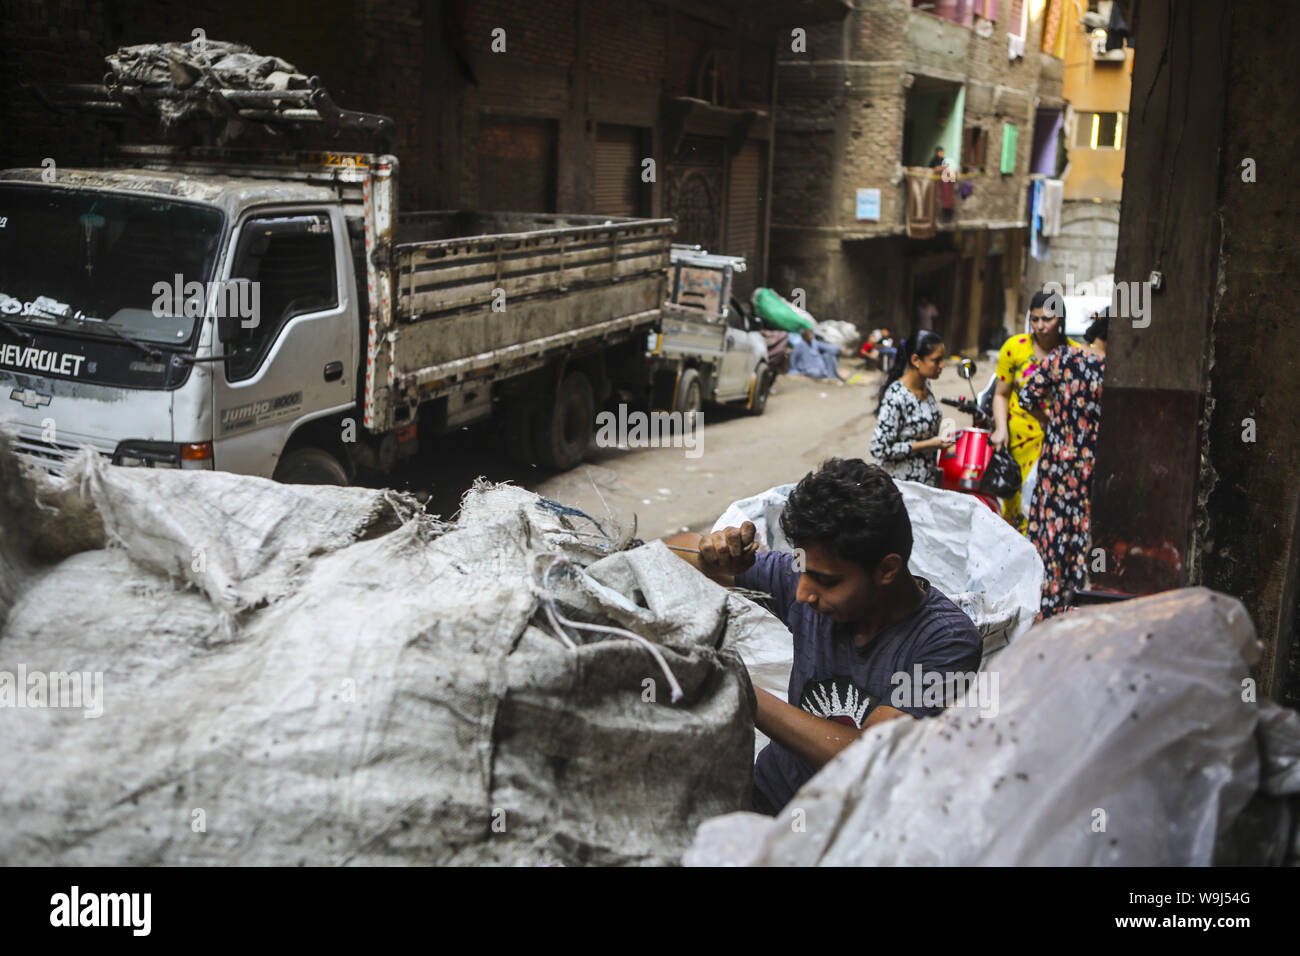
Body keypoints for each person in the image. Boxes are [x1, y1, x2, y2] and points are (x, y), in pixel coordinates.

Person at [664, 459, 983, 816]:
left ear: (887, 569)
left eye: (826, 581)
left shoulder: (947, 642)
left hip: (853, 829)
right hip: (768, 801)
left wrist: (739, 688)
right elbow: (670, 552)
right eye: (801, 572)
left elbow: (867, 759)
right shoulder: (811, 580)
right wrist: (713, 553)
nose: (802, 594)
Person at [1018, 314, 1107, 617]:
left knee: (1050, 533)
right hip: (1088, 465)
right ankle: (1073, 606)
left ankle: (1044, 606)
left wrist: (1052, 424)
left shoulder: (1063, 356)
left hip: (1056, 461)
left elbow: (1027, 395)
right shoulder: (1113, 369)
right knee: (1080, 533)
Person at [990, 289, 1080, 530]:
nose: (1040, 326)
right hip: (1018, 438)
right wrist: (1001, 429)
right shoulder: (1014, 348)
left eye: (1047, 319)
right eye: (1035, 319)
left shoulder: (1074, 354)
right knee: (1014, 507)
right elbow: (1000, 394)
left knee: (1050, 506)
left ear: (1059, 319)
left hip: (1057, 442)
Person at [869, 330, 953, 486]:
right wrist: (929, 444)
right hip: (901, 488)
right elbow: (878, 449)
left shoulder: (925, 385)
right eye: (936, 360)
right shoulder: (896, 397)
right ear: (916, 360)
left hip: (925, 484)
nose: (943, 365)